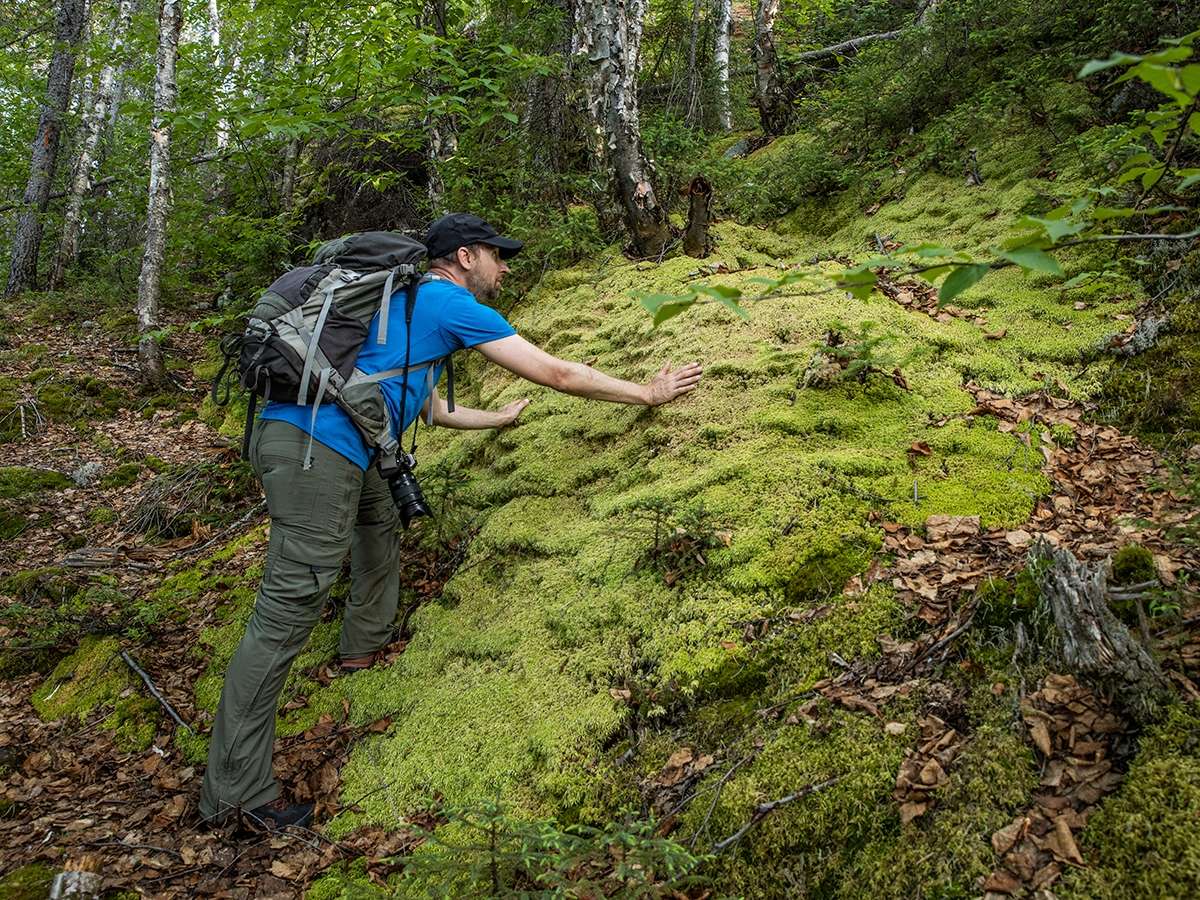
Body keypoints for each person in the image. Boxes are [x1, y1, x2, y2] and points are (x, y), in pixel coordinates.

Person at [199, 213, 703, 828]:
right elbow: (557, 372)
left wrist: (498, 420)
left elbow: (429, 408)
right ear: (465, 257)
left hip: (325, 442)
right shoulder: (446, 302)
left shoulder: (406, 305)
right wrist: (645, 393)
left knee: (379, 522)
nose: (506, 266)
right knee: (289, 605)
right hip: (316, 451)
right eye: (498, 254)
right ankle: (234, 792)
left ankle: (363, 647)